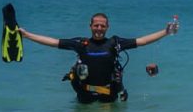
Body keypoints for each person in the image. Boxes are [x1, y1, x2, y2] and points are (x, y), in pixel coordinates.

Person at [19, 13, 179, 103]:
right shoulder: (81, 43)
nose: (99, 28)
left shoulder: (115, 42)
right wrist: (27, 35)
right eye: (96, 25)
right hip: (84, 94)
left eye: (102, 25)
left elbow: (142, 41)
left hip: (109, 93)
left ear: (107, 27)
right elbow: (54, 42)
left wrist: (165, 32)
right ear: (90, 26)